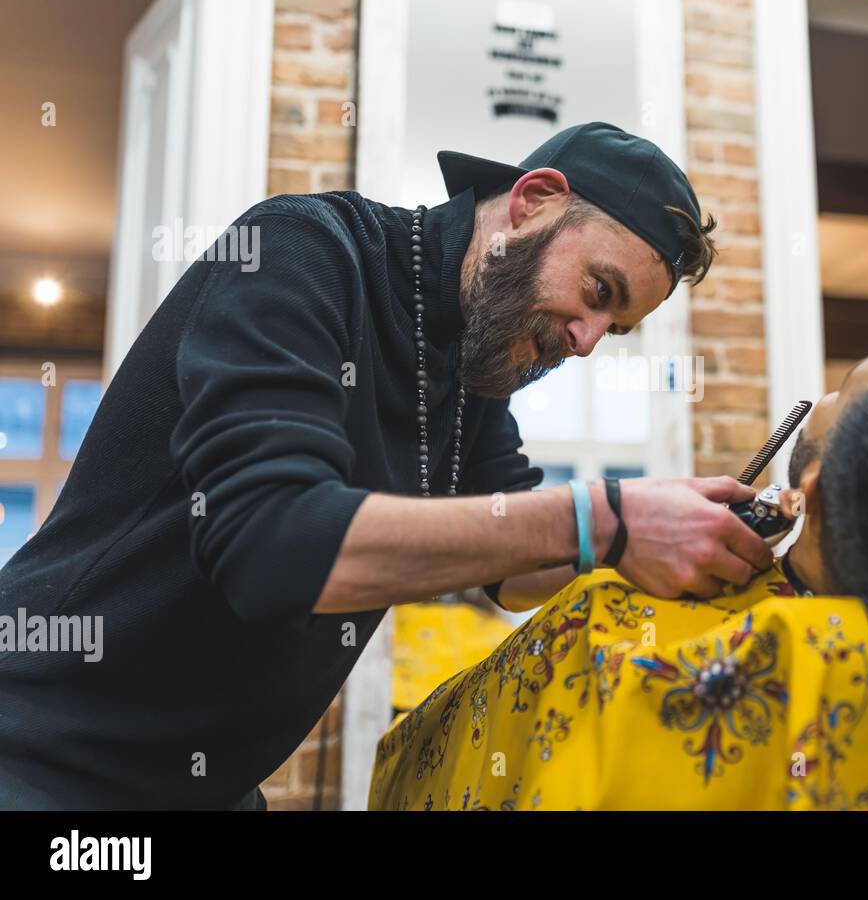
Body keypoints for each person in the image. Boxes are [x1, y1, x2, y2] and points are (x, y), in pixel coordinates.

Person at [0, 123, 771, 809]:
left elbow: (518, 570)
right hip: (43, 749)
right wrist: (609, 520)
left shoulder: (475, 363)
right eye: (598, 292)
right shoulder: (299, 251)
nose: (589, 339)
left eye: (617, 326)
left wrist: (691, 533)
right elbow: (272, 546)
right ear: (533, 200)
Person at [368, 323, 868, 810]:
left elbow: (423, 767)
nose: (821, 394)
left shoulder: (623, 643)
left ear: (811, 493)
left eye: (839, 388)